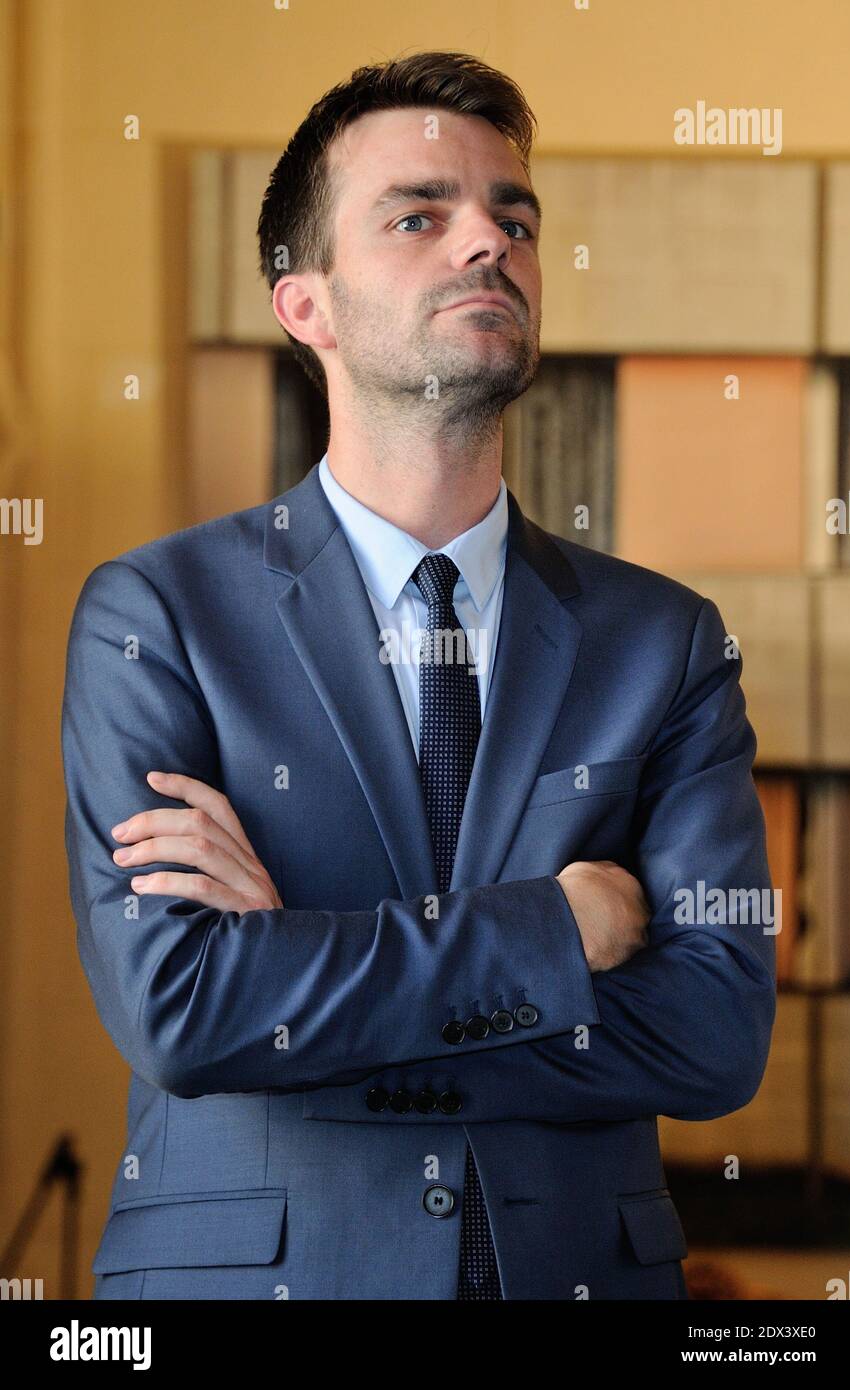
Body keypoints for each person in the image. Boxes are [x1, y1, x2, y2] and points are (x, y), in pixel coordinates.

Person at [61, 50, 776, 1301]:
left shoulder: (662, 642)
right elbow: (179, 1006)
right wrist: (557, 932)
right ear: (305, 304)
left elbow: (714, 1035)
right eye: (417, 216)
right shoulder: (157, 615)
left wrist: (294, 978)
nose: (484, 243)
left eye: (513, 217)